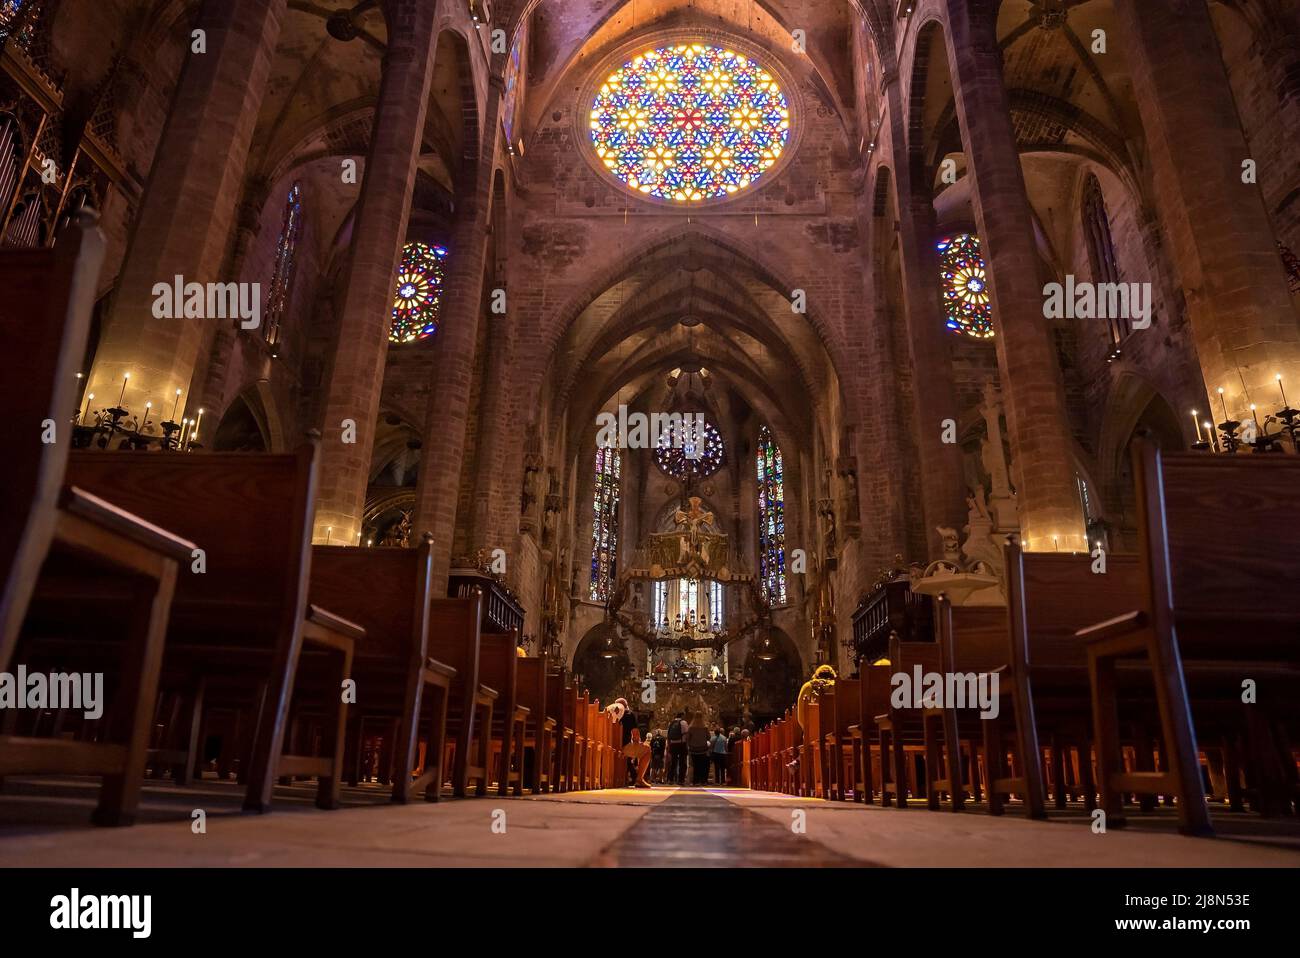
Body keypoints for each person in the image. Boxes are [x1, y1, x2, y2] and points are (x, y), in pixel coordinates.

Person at [789, 664, 837, 771]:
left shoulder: (807, 687)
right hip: (836, 733)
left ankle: (799, 761)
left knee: (811, 742)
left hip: (813, 734)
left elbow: (801, 716)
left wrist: (807, 730)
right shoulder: (839, 685)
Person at [687, 712, 712, 785]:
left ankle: (695, 781)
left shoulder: (691, 727)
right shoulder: (705, 727)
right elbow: (709, 737)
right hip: (703, 749)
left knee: (695, 765)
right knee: (703, 765)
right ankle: (703, 781)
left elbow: (688, 738)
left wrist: (690, 745)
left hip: (693, 749)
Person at [666, 711, 688, 785]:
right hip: (681, 744)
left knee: (673, 763)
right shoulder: (683, 722)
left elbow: (668, 735)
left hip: (673, 744)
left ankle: (671, 779)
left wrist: (669, 747)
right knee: (682, 763)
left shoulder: (671, 723)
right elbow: (686, 733)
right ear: (682, 716)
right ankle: (681, 780)